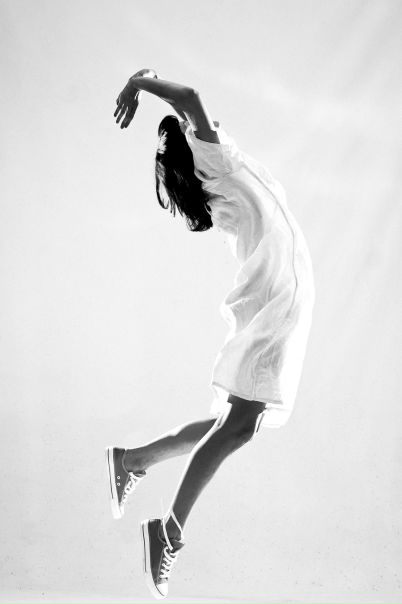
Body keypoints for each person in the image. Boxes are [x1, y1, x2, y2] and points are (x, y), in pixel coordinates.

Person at [106, 68, 316, 600]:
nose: (204, 121)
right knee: (240, 426)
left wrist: (152, 88)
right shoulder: (213, 157)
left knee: (234, 422)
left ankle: (131, 461)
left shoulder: (223, 162)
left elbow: (188, 107)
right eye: (193, 126)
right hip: (274, 301)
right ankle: (167, 533)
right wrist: (140, 82)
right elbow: (191, 97)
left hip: (280, 297)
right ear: (193, 141)